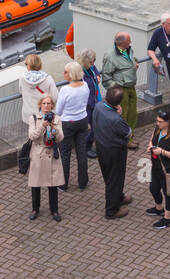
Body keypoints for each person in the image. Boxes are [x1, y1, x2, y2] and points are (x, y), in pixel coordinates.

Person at [91, 85, 133, 218]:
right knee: (114, 179)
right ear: (119, 103)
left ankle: (118, 196)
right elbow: (128, 133)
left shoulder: (98, 106)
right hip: (115, 151)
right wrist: (118, 114)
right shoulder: (116, 119)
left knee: (110, 176)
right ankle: (111, 210)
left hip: (101, 147)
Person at [26, 95, 65, 220]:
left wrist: (54, 127)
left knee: (52, 184)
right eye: (44, 103)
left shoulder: (57, 119)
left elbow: (61, 138)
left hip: (51, 153)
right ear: (40, 105)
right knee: (35, 184)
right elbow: (32, 136)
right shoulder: (33, 118)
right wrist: (42, 125)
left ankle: (54, 210)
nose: (46, 106)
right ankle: (35, 209)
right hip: (38, 154)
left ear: (52, 106)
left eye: (49, 103)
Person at [101, 32, 140, 149]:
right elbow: (106, 77)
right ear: (122, 43)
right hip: (121, 89)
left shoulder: (128, 50)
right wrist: (117, 89)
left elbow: (131, 59)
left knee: (133, 114)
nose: (131, 42)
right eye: (129, 41)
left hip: (131, 86)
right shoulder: (110, 56)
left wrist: (134, 63)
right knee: (123, 116)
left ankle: (129, 137)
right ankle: (124, 140)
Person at [56, 61, 91, 191]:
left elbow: (58, 110)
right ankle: (83, 182)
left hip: (68, 123)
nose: (63, 74)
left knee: (65, 153)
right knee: (81, 152)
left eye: (65, 72)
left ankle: (63, 184)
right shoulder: (86, 85)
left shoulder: (65, 90)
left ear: (71, 74)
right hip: (82, 120)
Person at [18, 53, 57, 123]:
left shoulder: (22, 78)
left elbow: (21, 91)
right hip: (45, 114)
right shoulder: (48, 78)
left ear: (29, 66)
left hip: (29, 114)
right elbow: (55, 97)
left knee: (33, 132)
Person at [78, 48, 102, 159]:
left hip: (94, 101)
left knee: (95, 126)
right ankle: (86, 148)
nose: (93, 63)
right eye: (92, 61)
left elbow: (95, 69)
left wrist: (97, 75)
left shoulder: (90, 67)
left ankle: (89, 145)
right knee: (88, 128)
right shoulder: (79, 72)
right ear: (85, 61)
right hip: (87, 105)